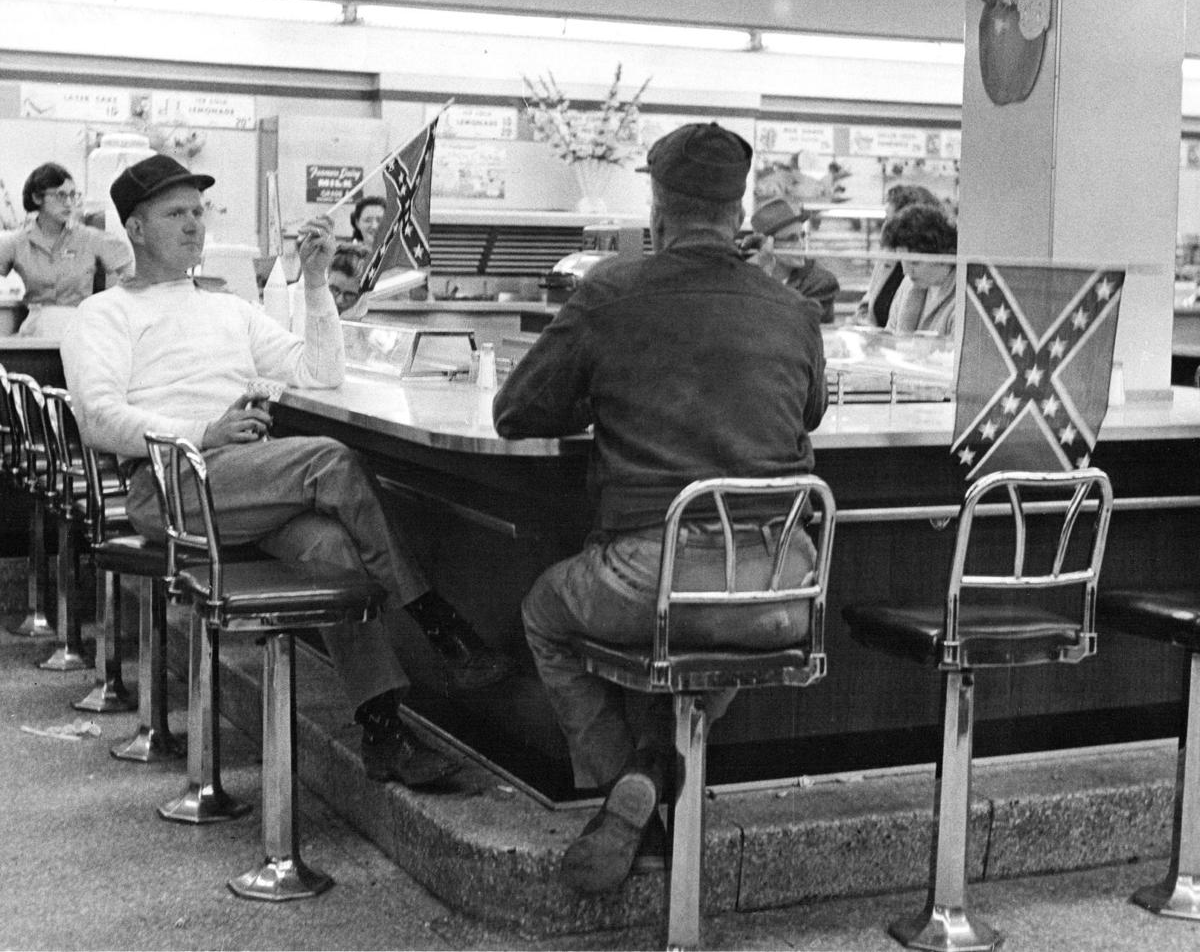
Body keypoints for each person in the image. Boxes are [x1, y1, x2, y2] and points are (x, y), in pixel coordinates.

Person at [61, 154, 512, 789]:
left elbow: (317, 371)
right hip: (168, 484)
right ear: (135, 228)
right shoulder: (104, 314)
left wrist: (317, 282)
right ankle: (431, 613)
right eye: (176, 214)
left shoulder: (229, 310)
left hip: (241, 480)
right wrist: (203, 432)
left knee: (331, 548)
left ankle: (384, 733)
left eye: (199, 212)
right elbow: (99, 419)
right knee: (329, 458)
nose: (195, 225)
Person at [493, 123, 827, 894]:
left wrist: (601, 397)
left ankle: (624, 783)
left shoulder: (611, 291)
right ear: (737, 211)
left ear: (657, 206)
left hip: (654, 572)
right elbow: (807, 412)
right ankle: (656, 768)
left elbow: (517, 411)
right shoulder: (793, 308)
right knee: (720, 632)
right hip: (784, 584)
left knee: (546, 611)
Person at [0, 162, 133, 338]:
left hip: (81, 324)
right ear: (37, 198)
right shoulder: (17, 242)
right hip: (38, 328)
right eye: (60, 195)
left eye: (73, 195)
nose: (69, 203)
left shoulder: (90, 238)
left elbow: (131, 273)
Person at [855, 184, 942, 327]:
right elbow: (868, 301)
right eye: (885, 219)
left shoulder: (931, 274)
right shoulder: (889, 257)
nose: (885, 227)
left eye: (891, 220)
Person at [745, 196, 840, 323]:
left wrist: (768, 280)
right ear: (768, 244)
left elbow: (789, 326)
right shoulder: (747, 277)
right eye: (792, 239)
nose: (801, 245)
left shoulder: (821, 282)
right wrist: (765, 275)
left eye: (802, 236)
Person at [883, 202, 958, 336]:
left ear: (942, 256)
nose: (906, 271)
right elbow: (890, 338)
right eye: (902, 260)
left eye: (915, 262)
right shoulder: (907, 285)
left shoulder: (962, 297)